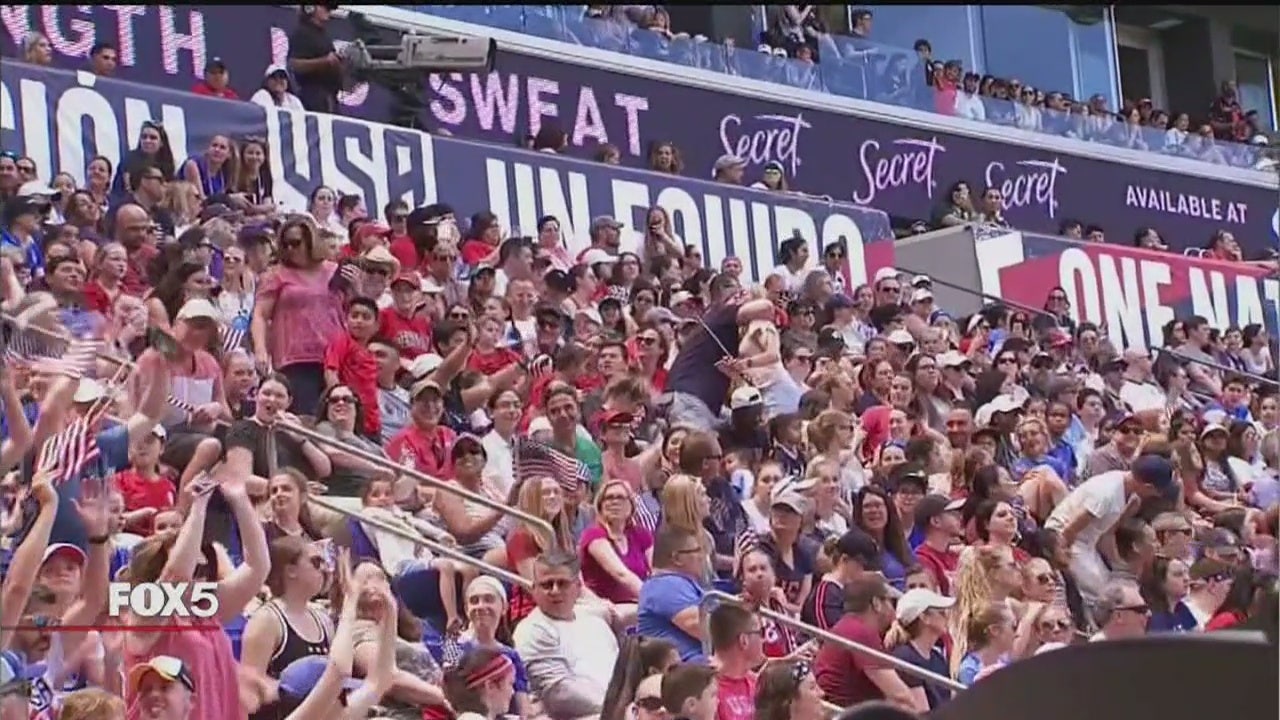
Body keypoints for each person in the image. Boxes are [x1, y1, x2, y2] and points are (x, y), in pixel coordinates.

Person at [1044, 455, 1180, 609]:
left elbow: (1108, 533)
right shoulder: (1107, 494)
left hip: (1087, 542)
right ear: (1148, 487)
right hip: (1065, 538)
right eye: (1157, 491)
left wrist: (1119, 566)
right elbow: (1069, 529)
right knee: (1102, 592)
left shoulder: (1131, 496)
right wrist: (1062, 560)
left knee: (1112, 584)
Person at [512, 551, 619, 719]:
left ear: (577, 587)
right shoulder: (532, 630)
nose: (554, 591)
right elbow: (558, 694)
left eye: (562, 584)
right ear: (534, 590)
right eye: (547, 585)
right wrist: (617, 709)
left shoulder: (594, 620)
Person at [813, 575, 924, 712]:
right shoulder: (860, 632)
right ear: (877, 604)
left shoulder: (847, 626)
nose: (893, 610)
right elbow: (900, 695)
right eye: (890, 602)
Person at [637, 525, 709, 662]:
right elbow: (701, 626)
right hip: (681, 674)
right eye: (697, 550)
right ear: (676, 558)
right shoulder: (665, 585)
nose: (702, 556)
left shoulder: (680, 582)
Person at [707, 603, 765, 720]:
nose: (763, 640)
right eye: (761, 632)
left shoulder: (757, 682)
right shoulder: (707, 692)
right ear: (744, 640)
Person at [287, 3, 342, 113]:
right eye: (325, 7)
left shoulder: (325, 36)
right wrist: (325, 61)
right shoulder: (302, 32)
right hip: (312, 98)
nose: (328, 11)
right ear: (310, 8)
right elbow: (294, 64)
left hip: (331, 99)